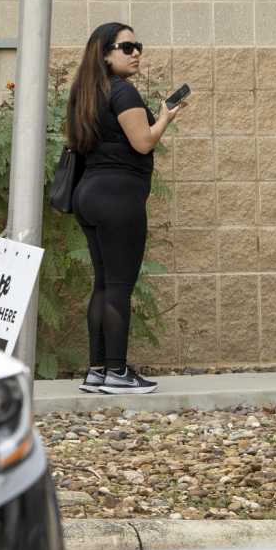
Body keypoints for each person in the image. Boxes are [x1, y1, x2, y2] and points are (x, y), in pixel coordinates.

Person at [65, 22, 189, 395]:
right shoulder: (123, 93)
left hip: (88, 196)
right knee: (119, 285)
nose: (136, 53)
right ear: (105, 53)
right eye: (126, 47)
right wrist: (165, 116)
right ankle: (118, 372)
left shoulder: (85, 94)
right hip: (118, 198)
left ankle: (98, 370)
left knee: (103, 284)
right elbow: (143, 143)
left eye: (138, 46)